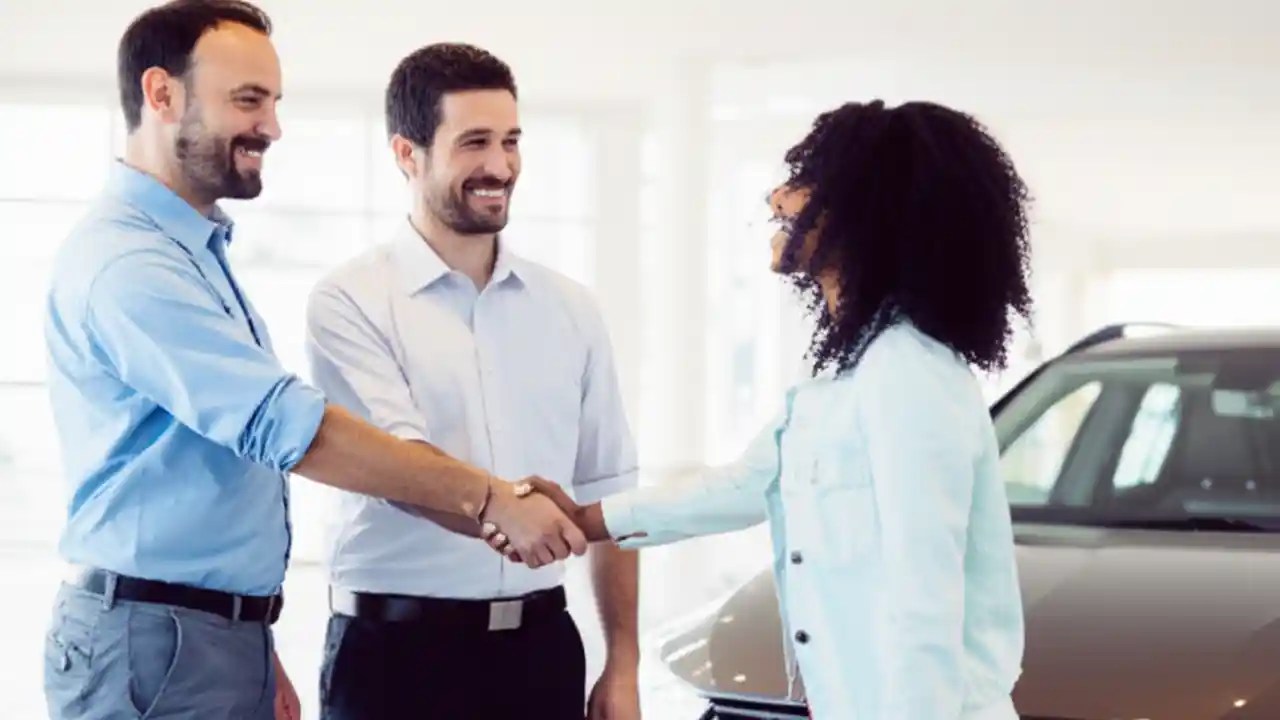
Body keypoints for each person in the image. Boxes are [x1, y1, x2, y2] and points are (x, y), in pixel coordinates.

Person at [41, 4, 584, 719]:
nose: (271, 125)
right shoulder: (130, 263)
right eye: (247, 99)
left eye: (273, 101)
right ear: (161, 95)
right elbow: (286, 427)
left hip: (203, 634)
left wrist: (251, 644)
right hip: (157, 643)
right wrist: (490, 498)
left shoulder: (190, 252)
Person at [497, 100, 1032, 719]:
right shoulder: (848, 373)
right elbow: (749, 484)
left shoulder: (906, 374)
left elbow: (925, 605)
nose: (778, 196)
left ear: (866, 211)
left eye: (806, 180)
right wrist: (585, 519)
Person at [304, 42, 641, 720]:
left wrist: (623, 664)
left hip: (542, 653)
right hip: (393, 661)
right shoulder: (350, 299)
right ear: (408, 153)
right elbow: (397, 469)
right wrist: (505, 511)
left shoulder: (571, 308)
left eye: (511, 141)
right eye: (475, 142)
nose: (500, 166)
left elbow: (609, 490)